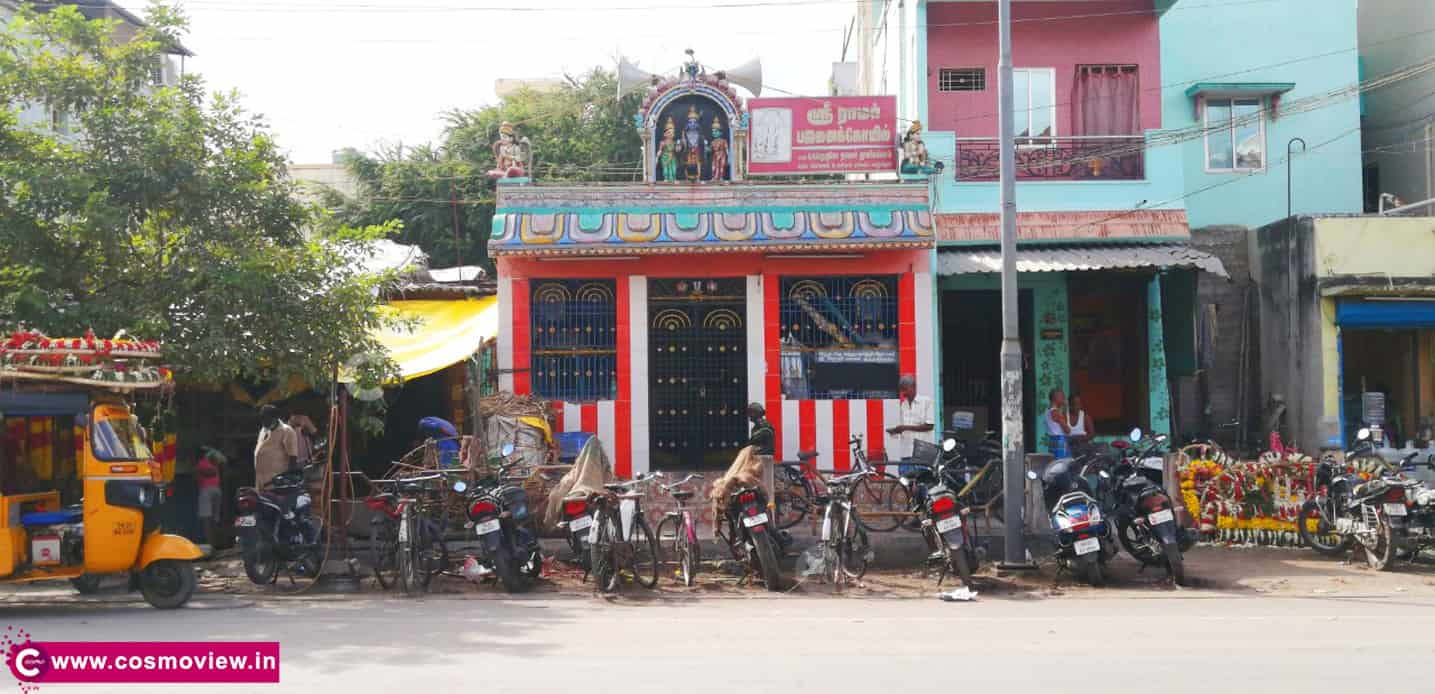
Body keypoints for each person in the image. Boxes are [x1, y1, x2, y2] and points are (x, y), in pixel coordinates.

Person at [887, 374, 934, 477]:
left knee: (922, 483)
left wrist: (905, 427)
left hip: (922, 452)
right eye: (901, 390)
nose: (903, 393)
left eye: (905, 389)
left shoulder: (926, 401)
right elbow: (903, 427)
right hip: (906, 451)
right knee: (905, 482)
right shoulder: (903, 405)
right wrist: (895, 431)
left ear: (913, 387)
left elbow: (929, 426)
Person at [253, 405, 299, 490]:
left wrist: (287, 480)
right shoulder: (263, 430)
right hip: (261, 482)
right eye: (262, 418)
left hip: (277, 483)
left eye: (266, 418)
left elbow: (293, 457)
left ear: (274, 418)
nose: (263, 421)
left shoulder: (287, 431)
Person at [195, 445, 226, 554]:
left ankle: (210, 547)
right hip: (217, 490)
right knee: (214, 519)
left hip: (206, 491)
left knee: (206, 520)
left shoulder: (201, 463)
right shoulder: (215, 462)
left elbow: (207, 473)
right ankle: (215, 545)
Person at [1045, 388, 1072, 458]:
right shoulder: (1056, 412)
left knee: (1055, 464)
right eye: (1062, 397)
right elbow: (1067, 430)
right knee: (1063, 465)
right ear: (1055, 398)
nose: (1064, 399)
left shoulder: (1048, 410)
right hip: (1060, 441)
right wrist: (1065, 410)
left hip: (1052, 440)